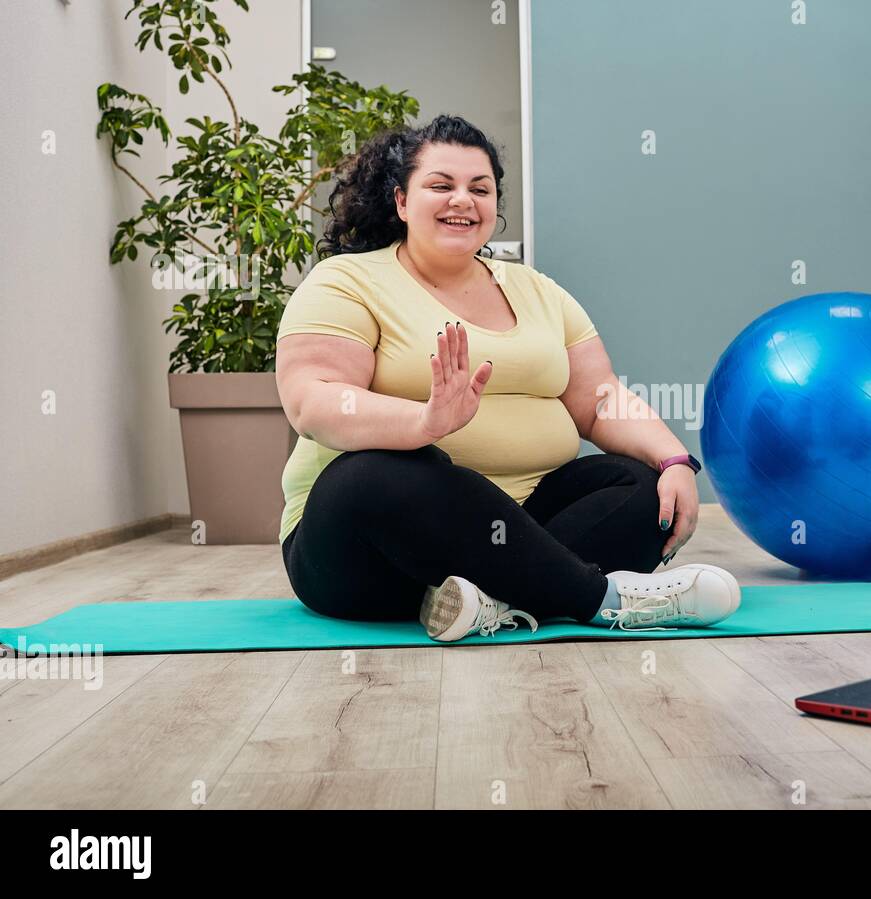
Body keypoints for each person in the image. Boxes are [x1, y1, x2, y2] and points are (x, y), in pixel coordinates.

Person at [274, 115, 741, 642]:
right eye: (440, 186)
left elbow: (599, 399)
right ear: (402, 201)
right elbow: (313, 403)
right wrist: (424, 422)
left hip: (524, 523)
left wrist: (673, 459)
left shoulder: (538, 289)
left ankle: (486, 601)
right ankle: (605, 600)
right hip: (372, 554)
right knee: (374, 475)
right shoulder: (346, 281)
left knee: (637, 484)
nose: (462, 200)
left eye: (480, 188)